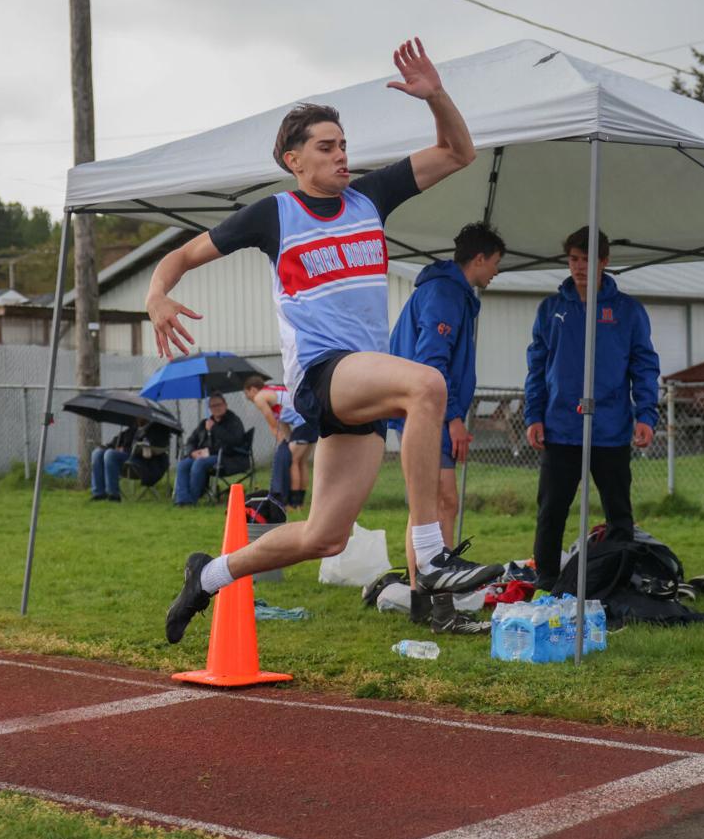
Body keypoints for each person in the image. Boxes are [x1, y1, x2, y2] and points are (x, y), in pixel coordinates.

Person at [146, 39, 501, 644]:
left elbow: (459, 151)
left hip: (358, 381)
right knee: (425, 384)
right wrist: (157, 295)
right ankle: (431, 554)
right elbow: (180, 254)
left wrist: (436, 95)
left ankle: (208, 575)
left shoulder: (371, 197)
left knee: (324, 536)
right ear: (293, 159)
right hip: (320, 373)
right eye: (326, 147)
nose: (342, 156)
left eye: (344, 145)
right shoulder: (272, 215)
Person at [524, 226, 661, 593]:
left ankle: (617, 579)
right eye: (573, 259)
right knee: (551, 510)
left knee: (619, 512)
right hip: (560, 428)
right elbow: (536, 367)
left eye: (587, 260)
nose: (579, 267)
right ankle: (547, 581)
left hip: (611, 429)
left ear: (604, 262)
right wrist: (533, 416)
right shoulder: (551, 310)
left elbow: (644, 365)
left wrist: (647, 415)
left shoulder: (627, 311)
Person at [387, 221, 505, 563]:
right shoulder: (445, 294)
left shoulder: (456, 295)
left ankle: (437, 582)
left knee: (442, 500)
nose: (497, 271)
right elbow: (430, 362)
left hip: (431, 409)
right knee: (436, 500)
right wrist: (453, 417)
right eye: (496, 262)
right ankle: (429, 587)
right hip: (428, 411)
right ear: (479, 259)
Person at [243, 375, 316, 509]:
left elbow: (272, 422)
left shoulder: (260, 397)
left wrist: (281, 444)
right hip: (310, 421)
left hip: (303, 424)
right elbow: (283, 424)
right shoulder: (273, 391)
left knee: (292, 461)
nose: (248, 398)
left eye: (247, 394)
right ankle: (300, 503)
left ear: (252, 389)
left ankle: (294, 504)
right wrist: (286, 441)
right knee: (301, 462)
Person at [173, 393, 250, 506]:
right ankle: (183, 500)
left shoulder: (234, 421)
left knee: (199, 464)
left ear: (225, 405)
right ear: (209, 408)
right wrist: (192, 452)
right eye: (213, 406)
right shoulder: (204, 423)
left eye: (219, 404)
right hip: (202, 456)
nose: (216, 408)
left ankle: (193, 499)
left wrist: (214, 428)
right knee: (183, 464)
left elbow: (235, 441)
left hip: (227, 458)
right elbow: (191, 441)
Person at [89, 419, 142, 502]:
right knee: (97, 453)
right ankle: (99, 494)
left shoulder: (151, 432)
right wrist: (106, 447)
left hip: (138, 461)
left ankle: (113, 494)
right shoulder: (131, 430)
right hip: (121, 459)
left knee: (110, 454)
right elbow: (114, 443)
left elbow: (144, 449)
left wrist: (124, 450)